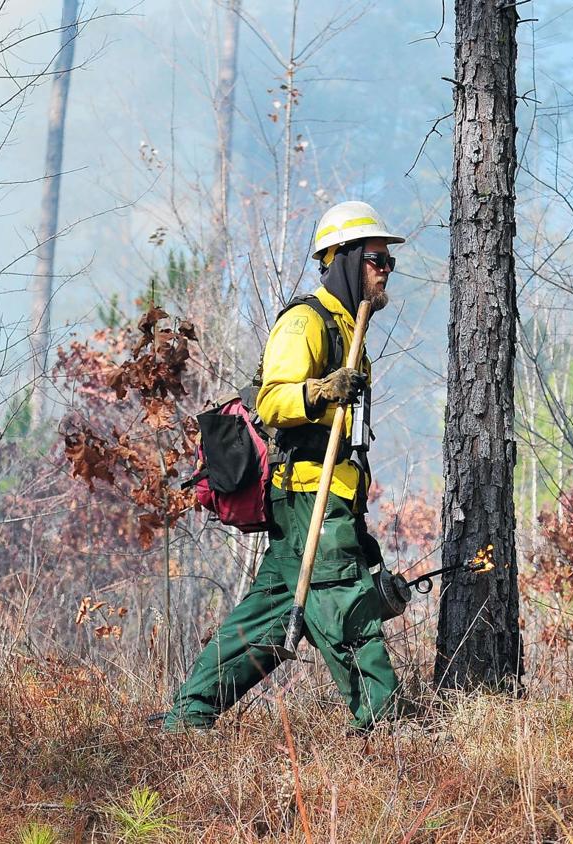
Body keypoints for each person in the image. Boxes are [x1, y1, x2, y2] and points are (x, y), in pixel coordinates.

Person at [162, 200, 405, 733]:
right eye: (377, 259)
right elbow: (272, 400)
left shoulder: (350, 329)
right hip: (307, 496)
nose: (386, 271)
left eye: (389, 262)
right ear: (342, 258)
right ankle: (385, 726)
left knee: (270, 616)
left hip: (331, 496)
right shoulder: (306, 322)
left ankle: (188, 716)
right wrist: (320, 391)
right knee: (346, 605)